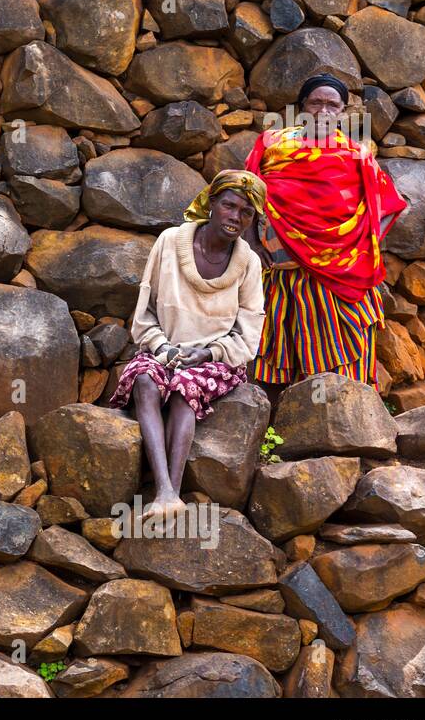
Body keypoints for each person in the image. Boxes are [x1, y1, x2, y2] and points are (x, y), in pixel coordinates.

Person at [108, 170, 267, 522]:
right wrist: (163, 350)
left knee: (184, 388)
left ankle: (170, 493)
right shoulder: (168, 243)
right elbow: (145, 315)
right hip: (164, 349)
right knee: (146, 380)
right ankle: (164, 490)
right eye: (229, 205)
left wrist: (209, 353)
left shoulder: (249, 264)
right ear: (211, 203)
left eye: (246, 212)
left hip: (215, 359)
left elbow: (249, 334)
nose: (235, 217)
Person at [244, 74, 407, 395]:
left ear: (343, 111)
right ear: (302, 106)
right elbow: (248, 190)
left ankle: (347, 411)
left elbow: (387, 203)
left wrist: (362, 245)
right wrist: (251, 242)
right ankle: (283, 413)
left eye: (332, 104)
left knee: (346, 334)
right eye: (315, 102)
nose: (323, 110)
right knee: (283, 337)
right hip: (281, 269)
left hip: (341, 269)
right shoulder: (273, 144)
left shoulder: (357, 155)